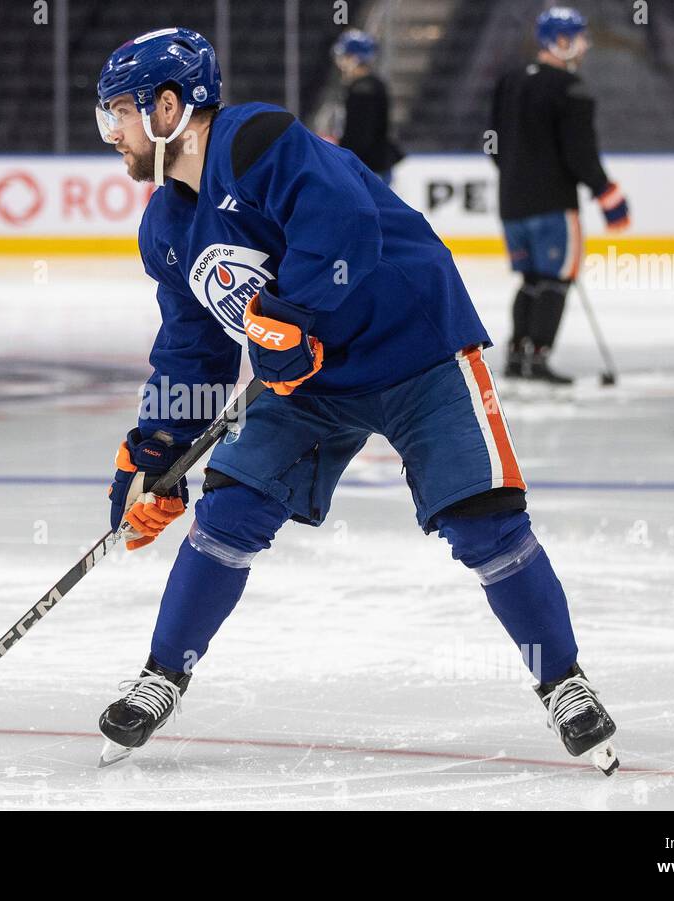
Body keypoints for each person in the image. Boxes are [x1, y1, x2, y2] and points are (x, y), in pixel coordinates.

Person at [93, 26, 618, 774]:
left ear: (169, 107)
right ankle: (160, 675)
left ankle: (564, 682)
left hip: (416, 349)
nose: (111, 133)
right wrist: (156, 449)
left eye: (118, 112)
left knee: (485, 524)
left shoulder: (258, 139)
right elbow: (193, 346)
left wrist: (295, 315)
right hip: (307, 384)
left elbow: (343, 223)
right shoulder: (167, 228)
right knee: (229, 511)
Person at [489, 7, 630, 383]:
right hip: (553, 206)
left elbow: (493, 145)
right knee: (554, 281)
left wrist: (518, 177)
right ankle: (537, 358)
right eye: (579, 38)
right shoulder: (572, 90)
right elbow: (580, 156)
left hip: (512, 204)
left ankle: (517, 355)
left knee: (530, 280)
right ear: (562, 41)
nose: (585, 47)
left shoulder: (510, 81)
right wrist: (609, 196)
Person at [330, 29, 402, 185]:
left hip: (368, 167)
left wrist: (348, 162)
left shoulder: (364, 89)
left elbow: (361, 135)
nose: (340, 61)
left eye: (345, 56)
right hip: (369, 165)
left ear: (355, 58)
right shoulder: (362, 86)